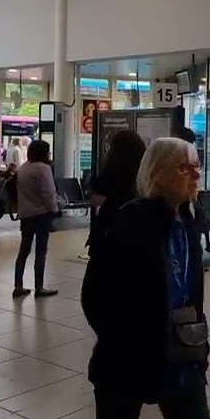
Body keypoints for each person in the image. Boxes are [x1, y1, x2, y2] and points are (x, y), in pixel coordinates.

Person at [90, 137, 210, 419]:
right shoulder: (131, 221)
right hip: (128, 358)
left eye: (197, 166)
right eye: (185, 168)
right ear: (159, 172)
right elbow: (94, 297)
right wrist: (127, 339)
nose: (196, 175)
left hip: (183, 355)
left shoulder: (188, 220)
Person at [81, 130, 146, 331]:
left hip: (108, 237)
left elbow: (95, 200)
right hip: (137, 240)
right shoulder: (144, 174)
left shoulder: (109, 174)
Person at [13, 139, 61, 298]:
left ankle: (18, 285)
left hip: (25, 214)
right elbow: (48, 193)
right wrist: (55, 209)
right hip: (41, 215)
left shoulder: (23, 168)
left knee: (24, 250)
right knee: (41, 252)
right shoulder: (44, 169)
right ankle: (39, 287)